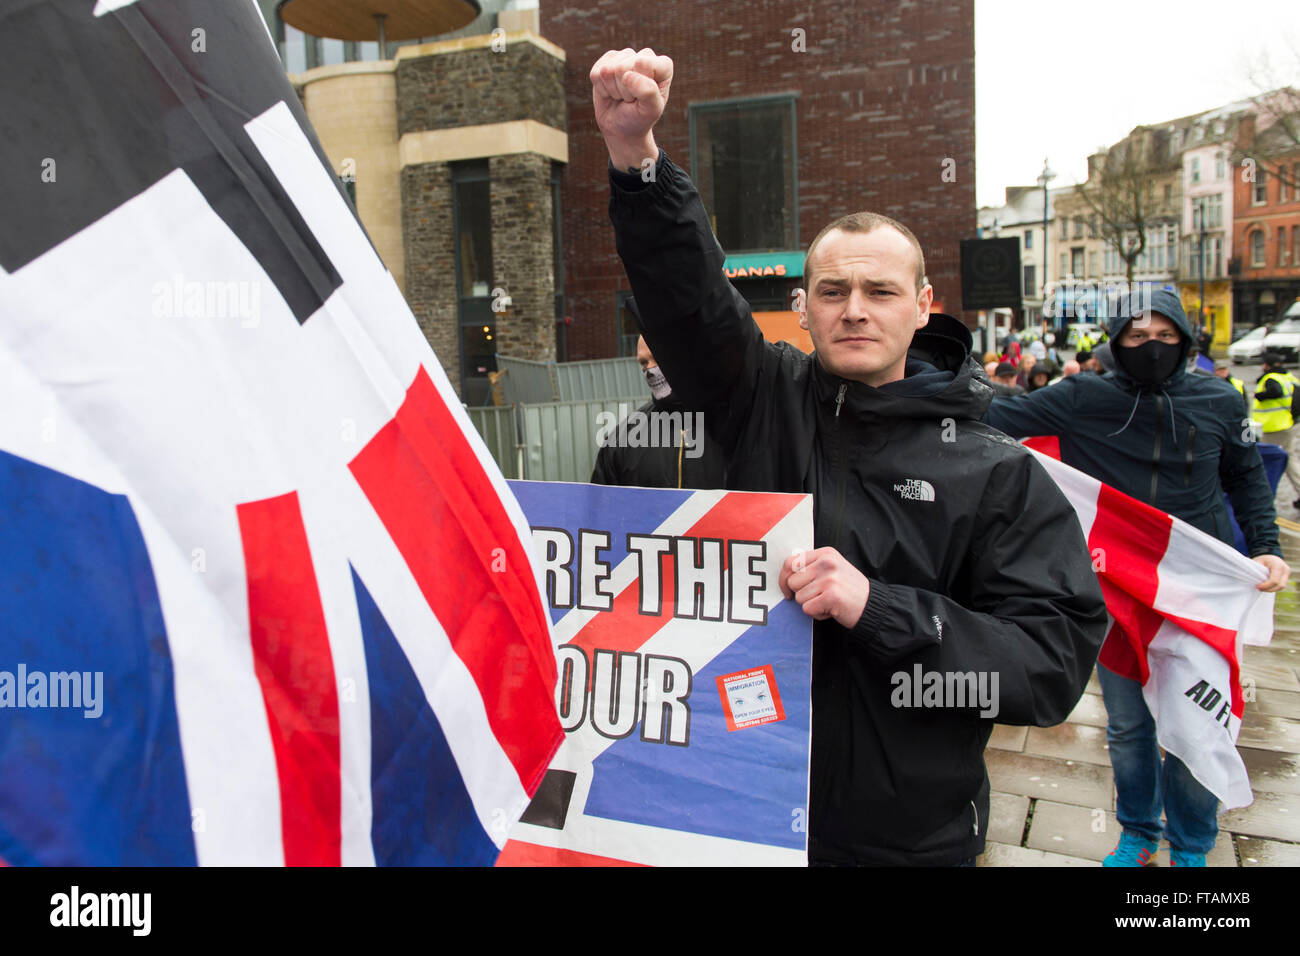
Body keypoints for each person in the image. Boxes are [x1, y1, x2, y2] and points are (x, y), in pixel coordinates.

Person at [593, 46, 1108, 867]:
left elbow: (1050, 664)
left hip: (906, 841)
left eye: (879, 292)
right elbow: (692, 302)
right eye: (832, 292)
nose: (855, 311)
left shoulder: (993, 469)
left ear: (924, 304)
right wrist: (636, 161)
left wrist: (883, 609)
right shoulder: (760, 398)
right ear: (802, 309)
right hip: (739, 810)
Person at [984, 290, 1290, 867]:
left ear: (1185, 339)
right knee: (1128, 725)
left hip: (1199, 592)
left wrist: (1268, 548)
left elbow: (1247, 478)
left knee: (1197, 721)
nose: (1153, 347)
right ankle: (1138, 831)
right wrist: (924, 368)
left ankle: (1193, 844)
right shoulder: (1082, 397)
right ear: (1118, 340)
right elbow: (998, 414)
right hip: (1117, 591)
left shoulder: (1222, 400)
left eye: (1167, 336)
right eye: (1138, 335)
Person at [590, 329, 726, 489]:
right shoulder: (622, 440)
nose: (650, 370)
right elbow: (601, 509)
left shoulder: (736, 428)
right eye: (644, 363)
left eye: (658, 357)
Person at [1252, 351, 1300, 508]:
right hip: (1288, 424)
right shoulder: (1289, 377)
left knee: (1261, 458)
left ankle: (1261, 497)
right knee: (1289, 460)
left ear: (1267, 365)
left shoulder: (1271, 379)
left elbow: (1275, 391)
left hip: (1274, 428)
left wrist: (1260, 395)